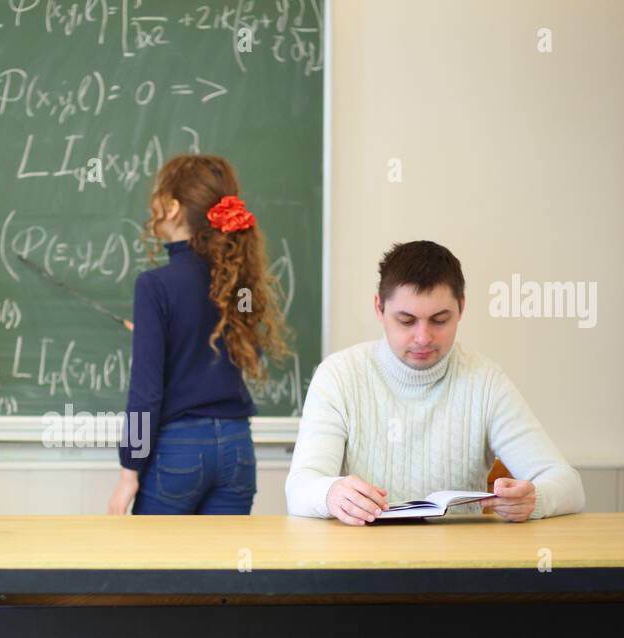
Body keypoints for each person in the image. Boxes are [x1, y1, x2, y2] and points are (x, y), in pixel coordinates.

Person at [286, 240, 585, 524]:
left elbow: (569, 485)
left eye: (440, 320)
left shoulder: (485, 381)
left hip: (456, 565)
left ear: (461, 308)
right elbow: (299, 488)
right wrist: (330, 493)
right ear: (379, 308)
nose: (423, 337)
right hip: (359, 562)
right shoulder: (339, 376)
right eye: (406, 320)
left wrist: (535, 499)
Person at [108, 155, 290, 515]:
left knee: (158, 570)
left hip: (178, 450)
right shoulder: (239, 284)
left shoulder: (154, 286)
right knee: (223, 570)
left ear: (173, 208)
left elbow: (146, 393)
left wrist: (130, 471)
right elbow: (246, 346)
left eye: (158, 197)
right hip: (237, 450)